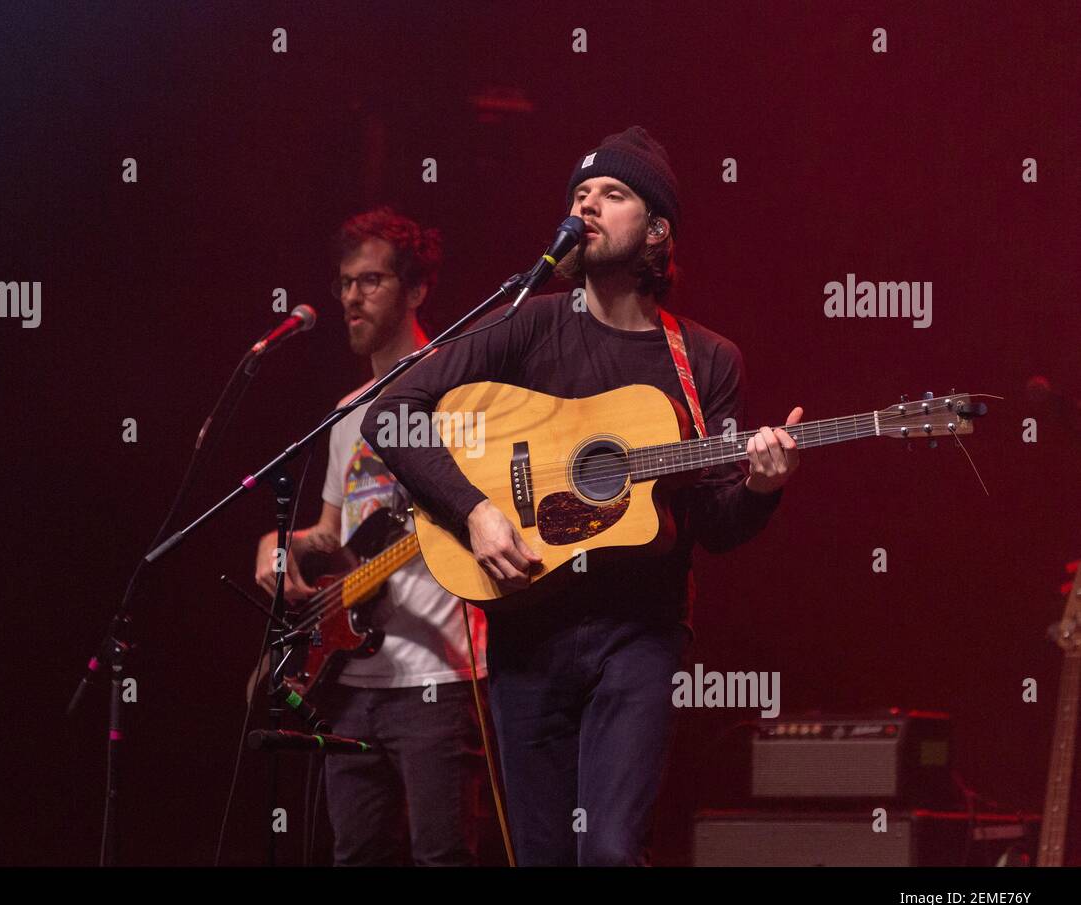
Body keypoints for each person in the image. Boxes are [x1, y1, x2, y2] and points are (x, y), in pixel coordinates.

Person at [360, 127, 802, 866]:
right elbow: (389, 413)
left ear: (658, 231)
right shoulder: (527, 325)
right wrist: (475, 511)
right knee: (540, 856)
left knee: (609, 850)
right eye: (579, 194)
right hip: (527, 630)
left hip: (639, 633)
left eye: (613, 194)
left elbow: (716, 523)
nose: (588, 204)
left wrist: (761, 487)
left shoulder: (705, 360)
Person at [253, 207, 489, 865]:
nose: (352, 296)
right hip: (350, 682)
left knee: (443, 855)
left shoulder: (459, 391)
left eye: (372, 280)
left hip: (439, 678)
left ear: (416, 289)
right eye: (345, 282)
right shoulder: (344, 415)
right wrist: (279, 545)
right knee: (354, 856)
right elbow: (333, 534)